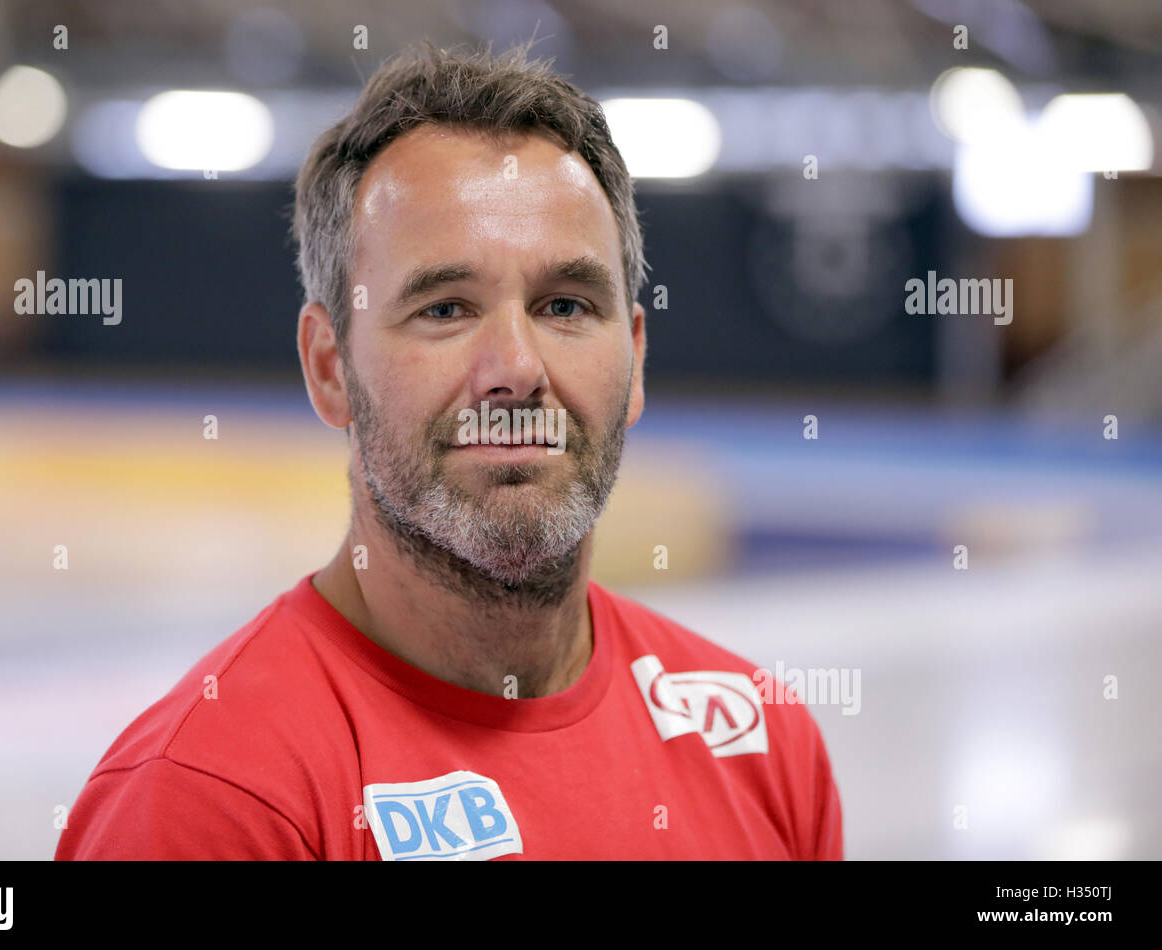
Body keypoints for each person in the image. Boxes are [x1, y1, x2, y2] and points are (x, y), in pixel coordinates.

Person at [55, 40, 842, 861]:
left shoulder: (762, 742)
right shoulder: (211, 801)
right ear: (330, 368)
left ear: (636, 360)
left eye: (566, 305)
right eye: (444, 309)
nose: (516, 371)